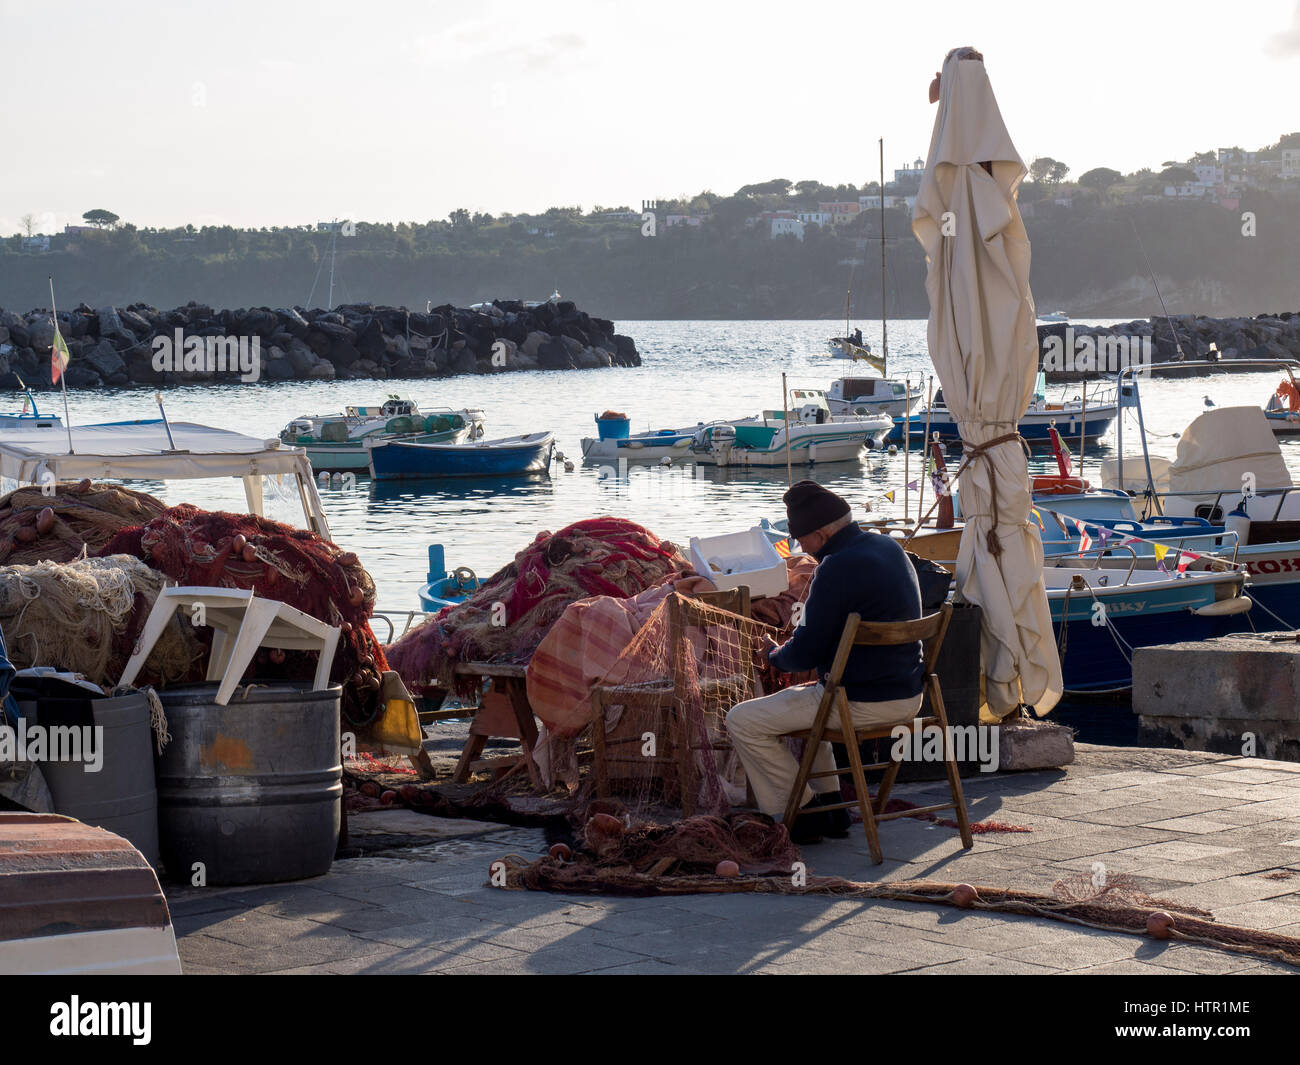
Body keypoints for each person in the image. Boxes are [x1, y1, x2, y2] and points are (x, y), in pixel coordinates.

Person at [725, 481, 925, 843]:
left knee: (742, 719)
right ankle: (831, 809)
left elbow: (803, 654)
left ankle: (800, 813)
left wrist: (772, 654)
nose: (802, 549)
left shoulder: (835, 566)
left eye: (802, 541)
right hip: (911, 697)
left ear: (821, 533)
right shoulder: (890, 548)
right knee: (809, 698)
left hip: (861, 704)